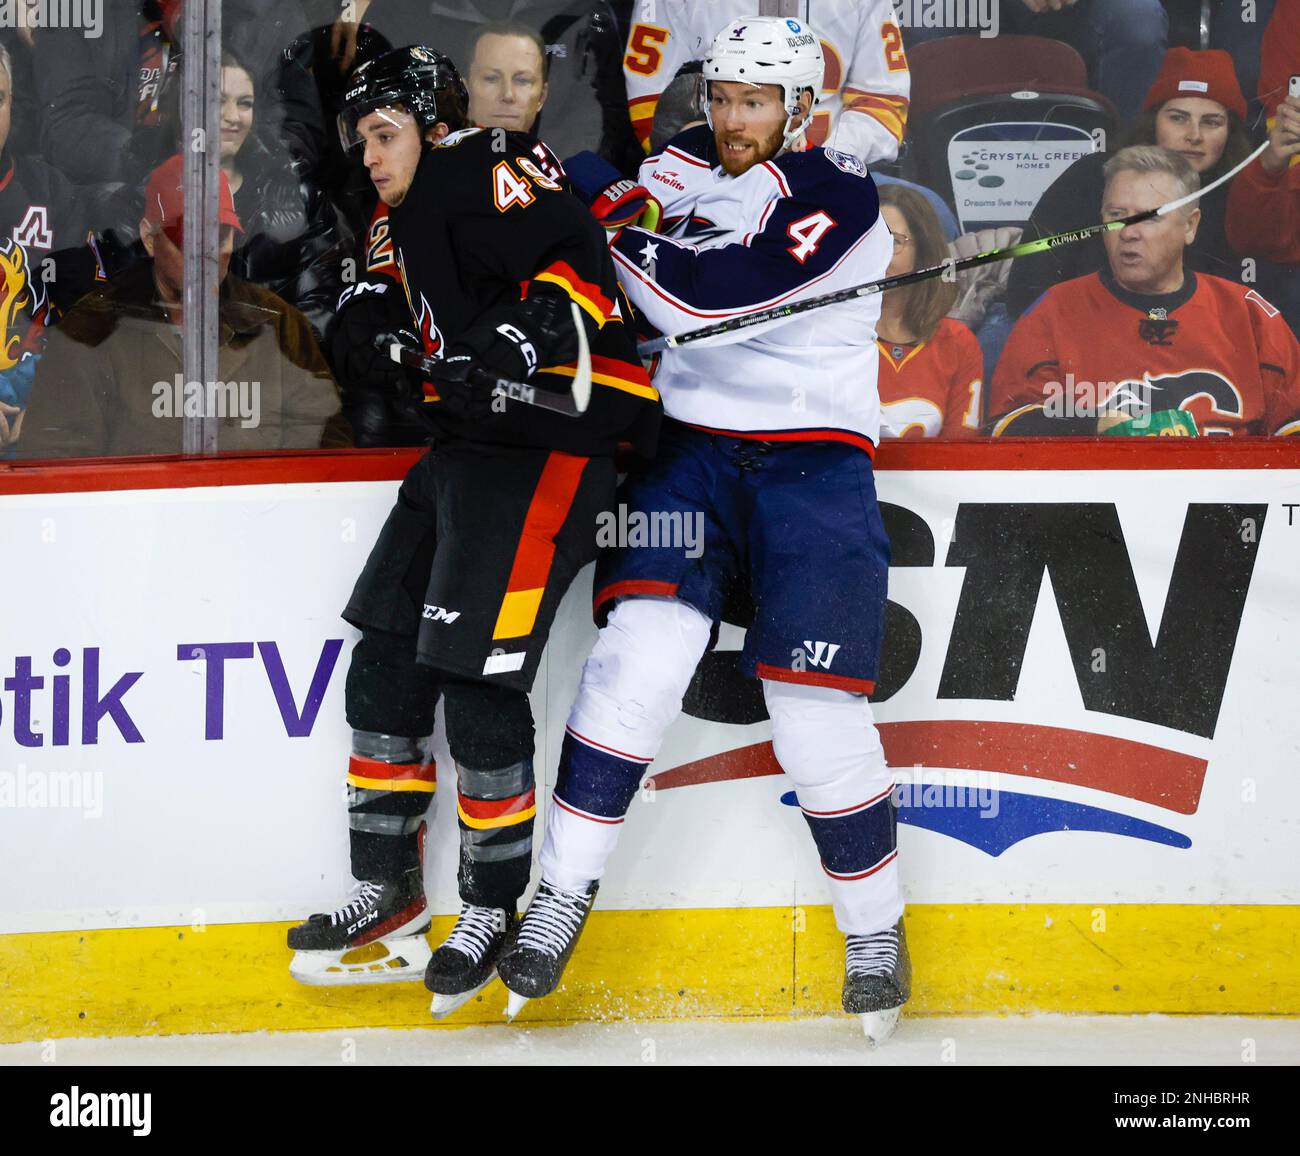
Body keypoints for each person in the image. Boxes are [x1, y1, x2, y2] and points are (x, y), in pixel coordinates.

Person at [495, 17, 909, 1044]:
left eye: (754, 102)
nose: (730, 119)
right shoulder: (678, 164)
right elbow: (587, 170)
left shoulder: (840, 200)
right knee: (636, 663)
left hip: (815, 465)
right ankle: (559, 895)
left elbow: (694, 301)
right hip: (690, 454)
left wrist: (612, 224)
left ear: (801, 109)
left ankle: (874, 930)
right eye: (720, 96)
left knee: (812, 712)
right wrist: (613, 198)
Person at [285, 47, 658, 1012]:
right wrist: (382, 338)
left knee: (475, 675)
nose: (368, 154)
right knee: (388, 661)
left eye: (382, 132)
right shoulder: (391, 216)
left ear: (428, 122)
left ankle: (493, 902)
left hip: (551, 449)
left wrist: (512, 341)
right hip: (465, 452)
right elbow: (367, 308)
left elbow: (576, 259)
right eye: (356, 140)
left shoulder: (484, 156)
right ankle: (392, 890)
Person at [12, 155, 344, 458]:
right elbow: (54, 460)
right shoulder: (88, 330)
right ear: (148, 237)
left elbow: (329, 448)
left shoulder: (279, 326)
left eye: (221, 234)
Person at [989, 146, 1300, 438]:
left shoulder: (1249, 314)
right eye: (1116, 215)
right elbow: (1007, 425)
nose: (1129, 232)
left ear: (1190, 227)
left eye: (1150, 217)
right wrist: (1091, 425)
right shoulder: (1054, 311)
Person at [1004, 48, 1256, 319]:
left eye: (1211, 122)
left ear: (1230, 132)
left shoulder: (1241, 197)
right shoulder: (1094, 174)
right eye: (1178, 118)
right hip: (1076, 334)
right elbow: (1029, 285)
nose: (1194, 135)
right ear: (1153, 122)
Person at [622, 0, 910, 165]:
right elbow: (653, 108)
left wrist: (822, 161)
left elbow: (884, 104)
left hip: (836, 176)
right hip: (714, 184)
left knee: (923, 212)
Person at [218, 51, 348, 342]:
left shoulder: (301, 199)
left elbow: (321, 309)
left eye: (244, 104)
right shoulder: (150, 198)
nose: (233, 117)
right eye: (217, 101)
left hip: (271, 376)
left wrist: (263, 361)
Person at [875, 184, 983, 438]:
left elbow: (960, 456)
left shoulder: (957, 343)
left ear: (923, 251)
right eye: (867, 240)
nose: (876, 254)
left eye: (892, 241)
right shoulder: (830, 336)